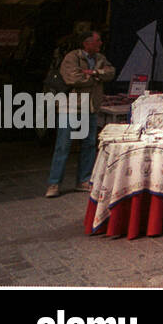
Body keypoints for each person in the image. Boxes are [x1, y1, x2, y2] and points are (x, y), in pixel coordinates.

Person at [45, 30, 115, 198]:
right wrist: (95, 78)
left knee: (89, 144)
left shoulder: (100, 58)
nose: (100, 43)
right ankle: (54, 183)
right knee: (64, 144)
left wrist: (94, 73)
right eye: (97, 41)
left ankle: (83, 180)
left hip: (90, 107)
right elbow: (73, 78)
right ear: (87, 43)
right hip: (70, 107)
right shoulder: (71, 57)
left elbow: (111, 72)